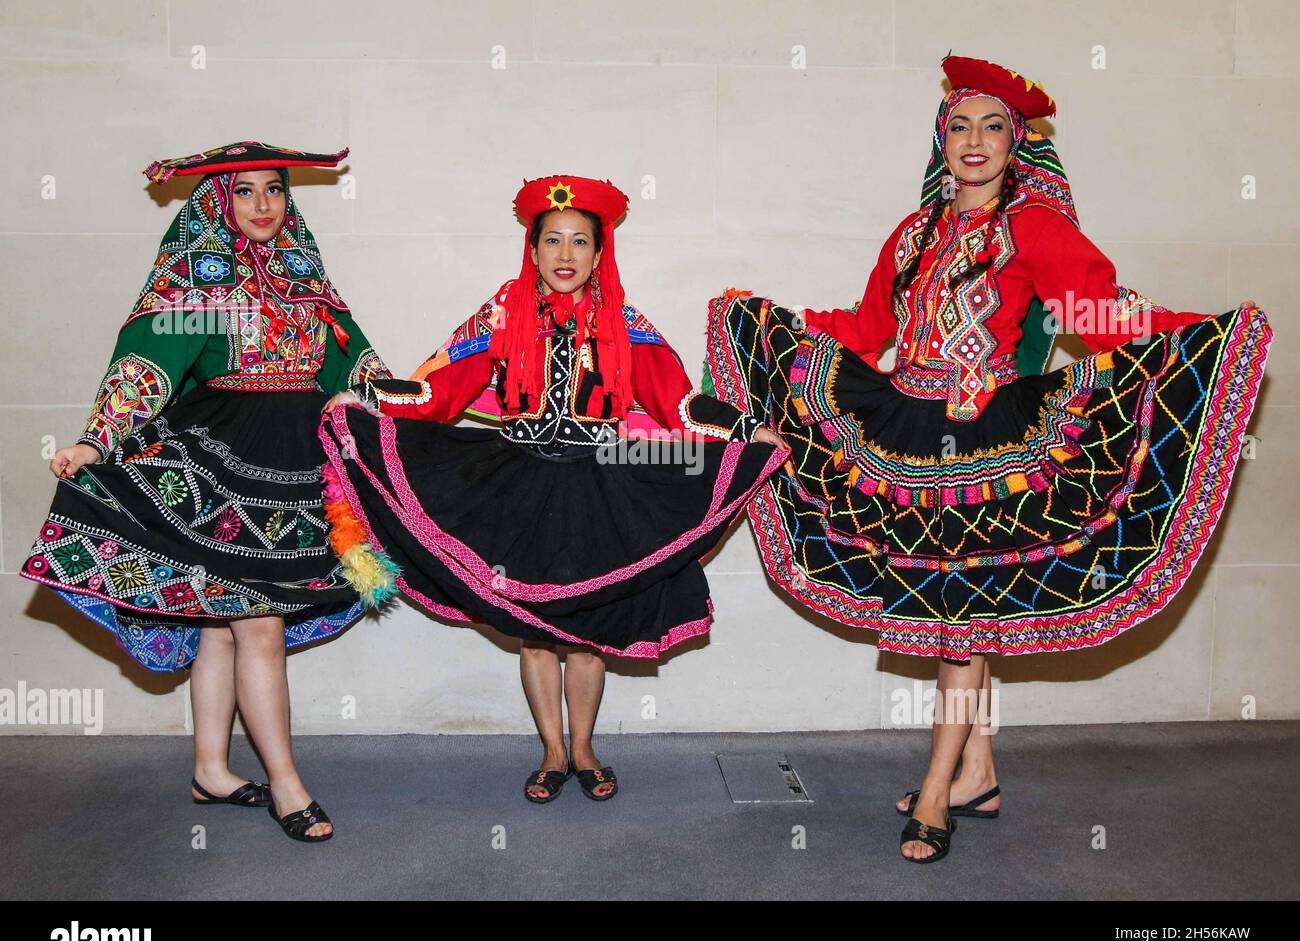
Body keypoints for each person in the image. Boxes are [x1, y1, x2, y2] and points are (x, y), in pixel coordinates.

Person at [705, 57, 1272, 863]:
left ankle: (936, 791)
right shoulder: (912, 234)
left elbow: (1097, 311)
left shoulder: (1033, 227)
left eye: (994, 126)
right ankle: (977, 770)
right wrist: (772, 320)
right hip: (905, 430)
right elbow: (867, 328)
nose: (975, 141)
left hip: (991, 445)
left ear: (1017, 143)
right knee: (957, 607)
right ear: (943, 140)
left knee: (959, 624)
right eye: (961, 125)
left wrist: (1204, 329)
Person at [320, 175, 789, 803]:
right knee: (536, 632)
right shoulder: (499, 315)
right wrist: (368, 397)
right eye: (552, 241)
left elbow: (679, 404)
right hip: (518, 483)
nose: (565, 255)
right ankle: (552, 752)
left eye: (578, 243)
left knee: (587, 632)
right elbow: (435, 390)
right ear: (532, 249)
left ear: (599, 253)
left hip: (600, 484)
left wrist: (747, 429)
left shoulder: (627, 323)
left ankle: (587, 749)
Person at [22, 141, 394, 841]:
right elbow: (148, 363)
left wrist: (410, 405)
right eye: (246, 191)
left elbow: (355, 362)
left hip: (291, 470)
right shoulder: (196, 282)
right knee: (256, 623)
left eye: (274, 191)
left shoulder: (304, 279)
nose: (262, 205)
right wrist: (96, 441)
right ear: (219, 202)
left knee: (222, 628)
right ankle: (287, 784)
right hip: (216, 469)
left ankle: (211, 770)